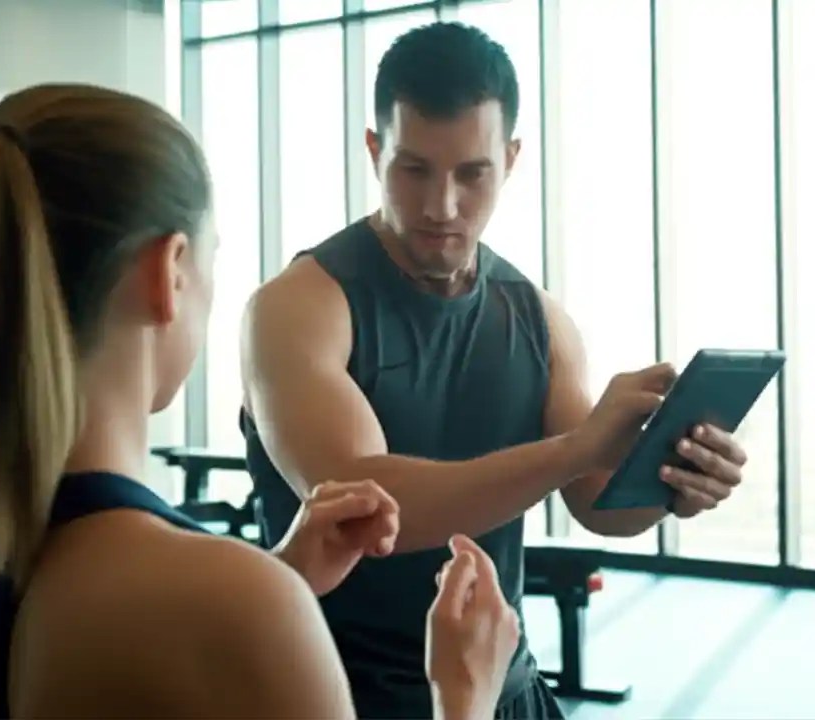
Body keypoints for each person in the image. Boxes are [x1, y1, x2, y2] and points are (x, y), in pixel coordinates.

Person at [0, 82, 519, 720]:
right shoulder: (239, 604)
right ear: (168, 273)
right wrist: (465, 694)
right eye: (210, 260)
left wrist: (283, 573)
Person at [240, 20, 750, 720]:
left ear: (510, 159)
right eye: (412, 168)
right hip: (339, 698)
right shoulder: (297, 307)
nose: (440, 206)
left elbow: (600, 502)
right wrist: (578, 447)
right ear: (372, 150)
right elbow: (362, 504)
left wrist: (674, 483)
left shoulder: (538, 318)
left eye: (471, 173)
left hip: (504, 692)